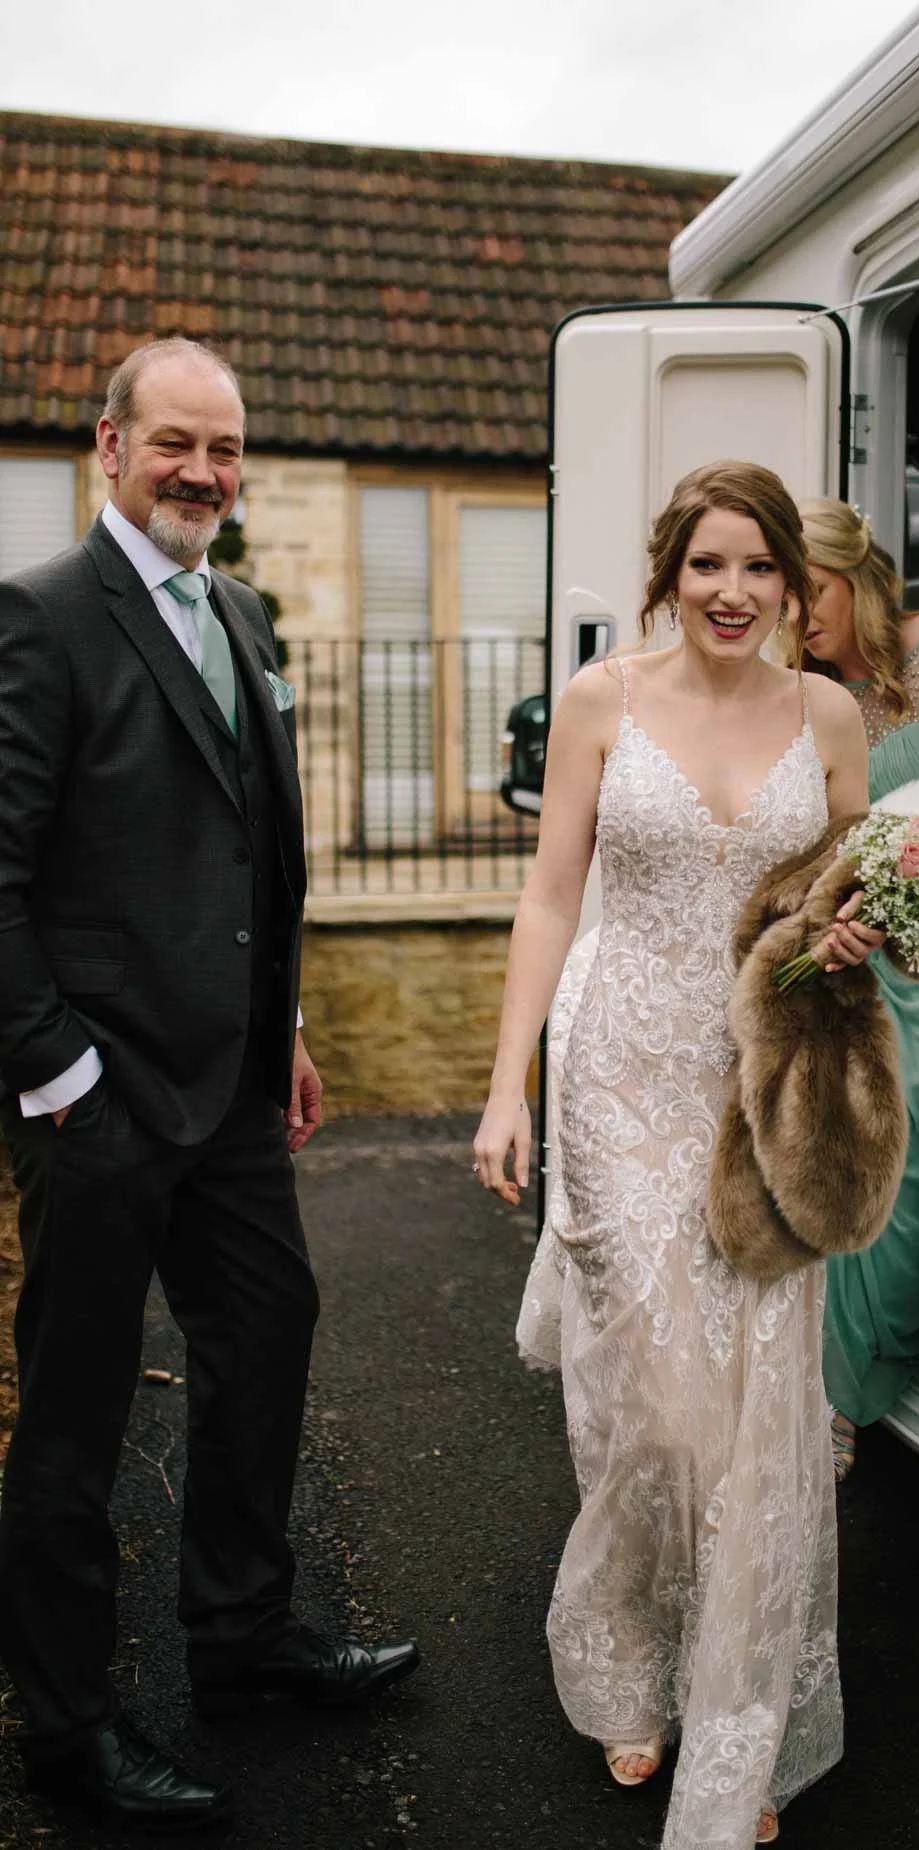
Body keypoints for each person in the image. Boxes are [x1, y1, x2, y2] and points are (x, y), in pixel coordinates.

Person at [0, 337, 419, 1832]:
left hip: (233, 1083)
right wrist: (59, 1073)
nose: (202, 472)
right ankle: (68, 1727)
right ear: (109, 447)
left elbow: (254, 850)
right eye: (174, 442)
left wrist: (283, 1024)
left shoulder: (237, 610)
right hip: (100, 1099)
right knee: (78, 1409)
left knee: (266, 1332)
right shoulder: (41, 615)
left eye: (224, 448)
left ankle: (241, 1640)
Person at [474, 462, 880, 1850]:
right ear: (669, 572)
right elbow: (550, 896)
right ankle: (625, 1653)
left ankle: (738, 1706)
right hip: (618, 1075)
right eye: (708, 563)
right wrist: (509, 1086)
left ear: (794, 586)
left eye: (759, 567)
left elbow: (842, 896)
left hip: (759, 1086)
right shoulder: (602, 702)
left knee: (759, 1404)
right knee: (654, 1397)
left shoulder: (829, 715)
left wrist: (852, 935)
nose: (732, 590)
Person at [797, 498, 919, 1483]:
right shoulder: (816, 700)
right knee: (856, 1172)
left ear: (854, 575)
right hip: (861, 970)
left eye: (810, 593)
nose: (798, 619)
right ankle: (837, 1389)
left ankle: (907, 1356)